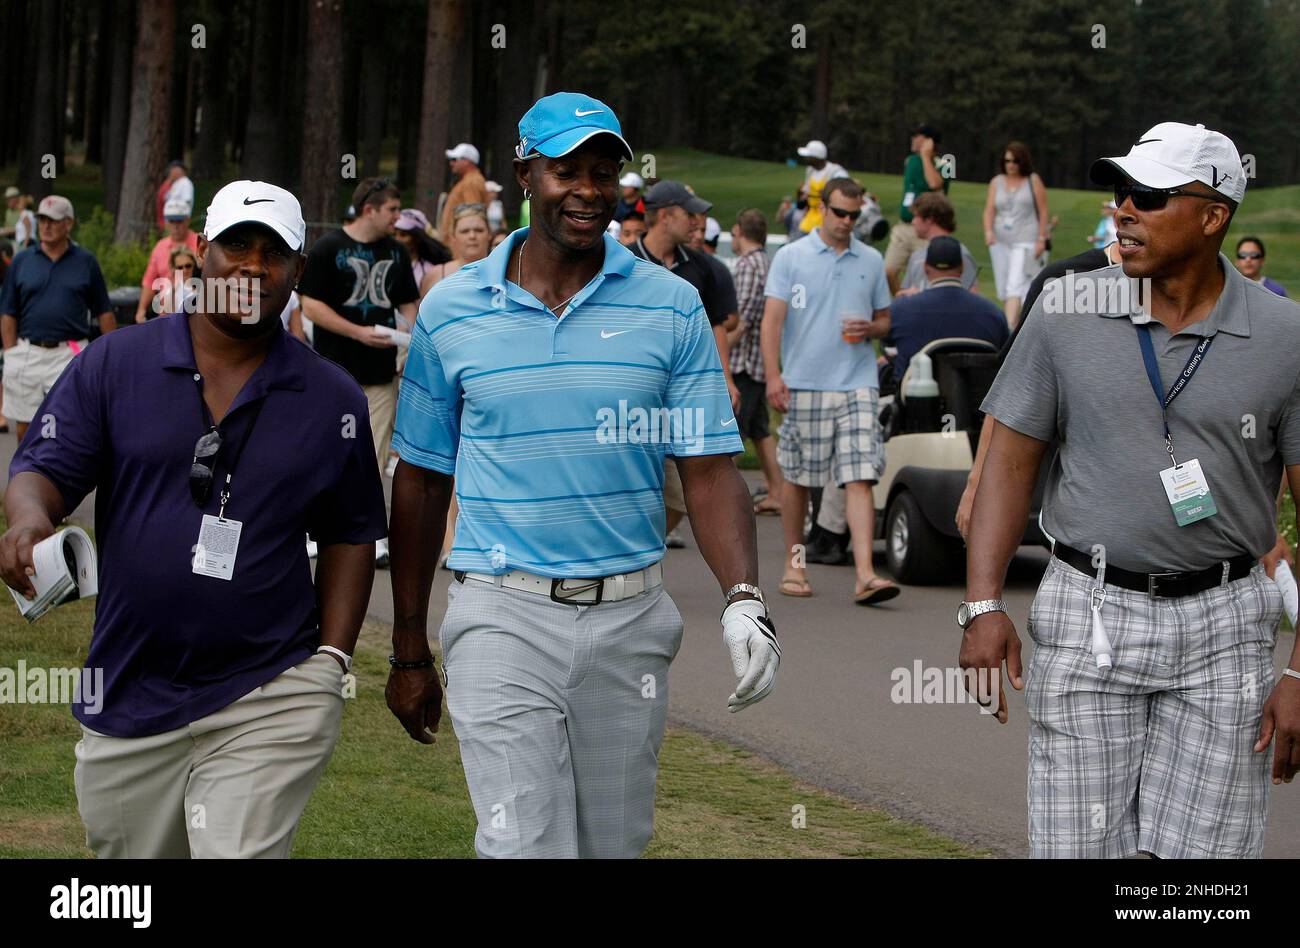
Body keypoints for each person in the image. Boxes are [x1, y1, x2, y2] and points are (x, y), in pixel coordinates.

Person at [387, 91, 779, 859]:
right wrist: (408, 647)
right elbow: (423, 480)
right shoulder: (453, 309)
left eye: (604, 173)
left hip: (629, 620)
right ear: (526, 174)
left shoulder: (671, 307)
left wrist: (743, 597)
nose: (589, 189)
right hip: (501, 611)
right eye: (568, 170)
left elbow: (707, 470)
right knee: (524, 844)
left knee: (612, 845)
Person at [0, 180, 387, 858]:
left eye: (276, 253)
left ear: (298, 272)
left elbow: (351, 530)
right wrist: (29, 523)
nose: (253, 266)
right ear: (201, 250)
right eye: (237, 244)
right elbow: (44, 468)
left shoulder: (333, 398)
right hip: (130, 689)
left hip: (271, 689)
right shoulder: (119, 362)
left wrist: (331, 660)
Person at [961, 122, 1300, 859]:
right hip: (1089, 609)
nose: (1124, 209)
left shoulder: (1287, 334)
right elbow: (1010, 466)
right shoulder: (1065, 307)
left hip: (1229, 625)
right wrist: (983, 602)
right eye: (1120, 192)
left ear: (1214, 216)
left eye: (1148, 195)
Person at [761, 177, 897, 604]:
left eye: (855, 216)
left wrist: (870, 328)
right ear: (823, 207)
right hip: (803, 381)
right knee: (799, 480)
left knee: (860, 474)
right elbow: (771, 322)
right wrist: (773, 376)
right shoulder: (791, 256)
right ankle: (794, 565)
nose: (847, 222)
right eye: (840, 213)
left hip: (857, 382)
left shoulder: (871, 260)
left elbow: (885, 321)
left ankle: (865, 574)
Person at [956, 240, 1123, 540]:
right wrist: (976, 481)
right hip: (1080, 490)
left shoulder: (1194, 285)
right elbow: (1012, 394)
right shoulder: (1063, 280)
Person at [298, 176, 419, 568]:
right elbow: (310, 306)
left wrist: (411, 341)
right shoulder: (329, 247)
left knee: (371, 453)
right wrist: (357, 333)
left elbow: (409, 304)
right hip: (333, 372)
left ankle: (371, 536)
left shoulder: (396, 254)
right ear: (370, 209)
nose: (397, 219)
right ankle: (311, 529)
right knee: (325, 452)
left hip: (381, 374)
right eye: (392, 210)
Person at [629, 181, 740, 548]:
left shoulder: (704, 268)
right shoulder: (623, 262)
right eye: (689, 214)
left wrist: (725, 378)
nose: (698, 221)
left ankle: (639, 547)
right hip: (632, 398)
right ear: (664, 215)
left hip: (683, 399)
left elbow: (717, 326)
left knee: (688, 490)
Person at [0, 195, 115, 443]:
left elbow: (103, 311)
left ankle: (62, 480)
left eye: (53, 220)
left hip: (69, 351)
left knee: (69, 424)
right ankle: (27, 478)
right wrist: (10, 352)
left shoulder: (86, 261)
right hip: (28, 350)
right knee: (25, 429)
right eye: (42, 219)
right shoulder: (22, 260)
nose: (46, 226)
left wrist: (111, 356)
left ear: (68, 223)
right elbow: (8, 311)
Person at [885, 236, 1008, 383]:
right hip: (975, 400)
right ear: (962, 267)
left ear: (925, 267)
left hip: (917, 401)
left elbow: (887, 345)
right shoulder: (993, 313)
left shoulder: (901, 309)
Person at [727, 208, 784, 516]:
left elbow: (743, 319)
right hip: (760, 363)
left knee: (733, 436)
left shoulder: (749, 265)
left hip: (744, 364)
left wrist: (718, 351)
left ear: (740, 231)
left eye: (734, 233)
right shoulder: (768, 263)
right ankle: (777, 492)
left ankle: (725, 503)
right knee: (761, 432)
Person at [983, 140, 1050, 329]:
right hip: (1000, 241)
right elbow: (989, 210)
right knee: (1004, 287)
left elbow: (1043, 211)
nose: (1010, 165)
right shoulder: (997, 182)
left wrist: (1041, 238)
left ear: (1023, 162)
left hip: (1026, 240)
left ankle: (1009, 330)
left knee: (1015, 283)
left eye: (1015, 161)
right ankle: (1015, 326)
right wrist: (988, 231)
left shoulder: (1033, 180)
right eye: (1007, 161)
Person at [884, 123, 949, 292]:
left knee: (920, 280)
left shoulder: (946, 163)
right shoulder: (911, 160)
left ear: (929, 141)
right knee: (888, 271)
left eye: (917, 136)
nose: (912, 139)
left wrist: (926, 156)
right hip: (905, 225)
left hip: (927, 231)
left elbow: (935, 183)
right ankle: (902, 301)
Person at [898, 193, 979, 294]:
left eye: (916, 216)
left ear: (929, 220)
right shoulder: (916, 256)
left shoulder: (959, 254)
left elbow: (971, 295)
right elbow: (904, 294)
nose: (913, 222)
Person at [136, 198, 201, 322]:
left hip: (195, 312)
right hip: (166, 314)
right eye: (172, 221)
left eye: (179, 221)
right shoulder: (160, 247)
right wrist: (141, 309)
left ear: (188, 220)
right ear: (166, 222)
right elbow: (149, 282)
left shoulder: (199, 243)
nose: (175, 225)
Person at [421, 203, 491, 297]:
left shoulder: (505, 272)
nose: (472, 236)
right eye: (464, 231)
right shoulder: (435, 276)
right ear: (453, 236)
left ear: (489, 234)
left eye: (479, 230)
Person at [794, 140, 847, 235]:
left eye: (809, 156)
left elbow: (845, 191)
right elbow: (807, 192)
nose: (806, 158)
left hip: (826, 217)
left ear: (816, 157)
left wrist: (828, 193)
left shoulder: (835, 171)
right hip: (811, 214)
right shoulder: (810, 170)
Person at [439, 143, 491, 241]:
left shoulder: (471, 182)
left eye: (454, 159)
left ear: (466, 161)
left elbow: (472, 216)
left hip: (461, 244)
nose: (451, 163)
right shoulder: (469, 180)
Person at [393, 207, 451, 292]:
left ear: (417, 238)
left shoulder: (430, 271)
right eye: (393, 234)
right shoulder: (385, 262)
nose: (397, 239)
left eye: (403, 235)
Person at [157, 161, 193, 231]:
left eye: (173, 170)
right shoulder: (176, 183)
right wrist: (169, 180)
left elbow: (186, 201)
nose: (171, 172)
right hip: (170, 219)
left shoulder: (185, 182)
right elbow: (162, 196)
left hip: (178, 219)